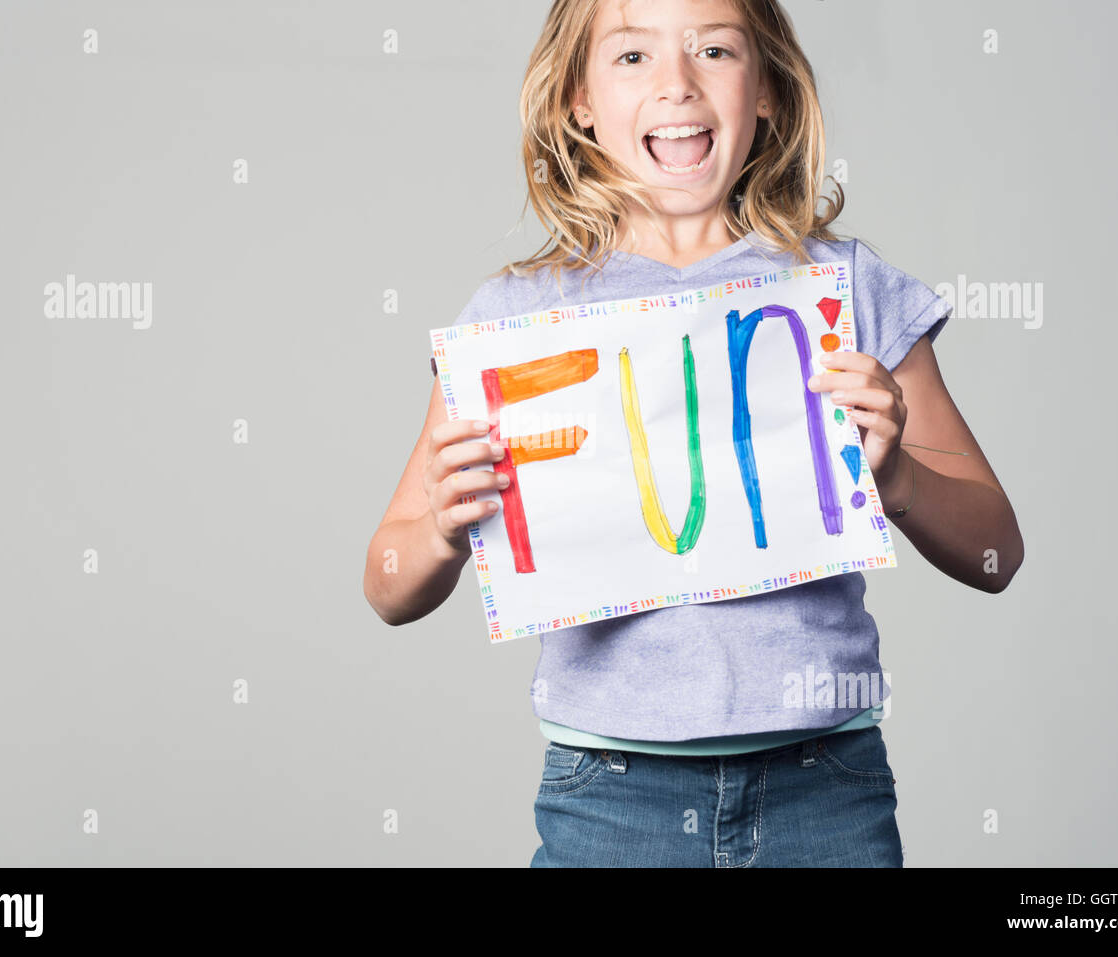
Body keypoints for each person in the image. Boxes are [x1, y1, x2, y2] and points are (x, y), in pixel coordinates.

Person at [363, 0, 1024, 867]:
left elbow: (997, 553)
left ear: (768, 94)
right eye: (633, 56)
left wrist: (898, 483)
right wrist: (446, 530)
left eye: (714, 49)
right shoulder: (519, 321)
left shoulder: (844, 288)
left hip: (823, 785)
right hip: (610, 794)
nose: (677, 83)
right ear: (578, 100)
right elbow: (387, 583)